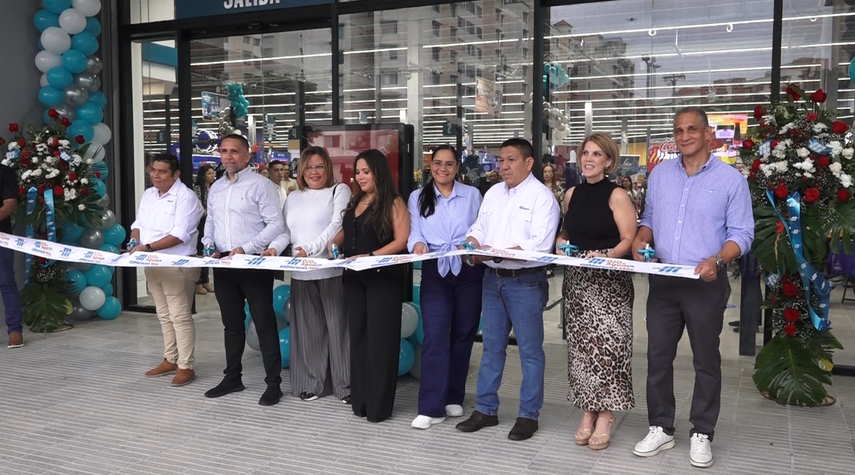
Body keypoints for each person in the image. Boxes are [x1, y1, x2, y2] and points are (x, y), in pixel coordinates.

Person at [631, 107, 753, 468]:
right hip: (664, 281)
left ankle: (702, 431)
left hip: (706, 282)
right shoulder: (660, 175)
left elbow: (742, 234)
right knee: (658, 357)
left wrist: (718, 259)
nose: (684, 136)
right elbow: (649, 219)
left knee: (705, 360)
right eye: (679, 130)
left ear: (708, 134)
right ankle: (661, 427)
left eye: (692, 130)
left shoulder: (731, 180)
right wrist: (641, 239)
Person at [456, 138, 560, 441]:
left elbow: (538, 246)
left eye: (511, 160)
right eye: (501, 160)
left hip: (525, 282)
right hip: (492, 279)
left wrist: (490, 253)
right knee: (491, 347)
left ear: (529, 163)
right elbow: (479, 228)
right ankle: (486, 409)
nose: (503, 166)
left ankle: (528, 415)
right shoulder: (493, 194)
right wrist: (471, 244)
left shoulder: (543, 198)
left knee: (530, 351)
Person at [554, 133, 638, 450]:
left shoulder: (617, 195)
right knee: (582, 351)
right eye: (585, 153)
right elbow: (567, 230)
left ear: (609, 161)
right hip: (578, 280)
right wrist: (561, 242)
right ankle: (588, 410)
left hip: (609, 281)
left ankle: (605, 414)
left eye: (597, 154)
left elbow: (628, 238)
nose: (589, 159)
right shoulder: (571, 194)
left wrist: (606, 257)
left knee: (610, 349)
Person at [262, 147, 352, 403]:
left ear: (328, 168)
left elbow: (337, 225)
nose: (314, 172)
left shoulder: (339, 190)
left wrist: (311, 249)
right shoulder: (293, 198)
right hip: (301, 274)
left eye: (319, 166)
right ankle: (313, 383)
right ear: (301, 170)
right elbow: (285, 232)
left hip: (331, 271)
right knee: (309, 331)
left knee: (339, 329)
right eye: (309, 167)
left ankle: (345, 385)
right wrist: (274, 248)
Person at [202, 134, 286, 406]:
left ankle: (273, 384)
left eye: (235, 151)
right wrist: (208, 243)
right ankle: (232, 377)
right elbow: (211, 220)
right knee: (232, 325)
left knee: (264, 324)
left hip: (252, 264)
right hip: (224, 264)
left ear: (248, 156)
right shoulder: (216, 187)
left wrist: (247, 248)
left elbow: (276, 224)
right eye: (224, 151)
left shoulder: (261, 186)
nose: (228, 156)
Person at [328, 149, 410, 423]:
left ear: (379, 172)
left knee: (380, 342)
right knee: (359, 338)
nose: (361, 177)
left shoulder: (394, 202)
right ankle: (360, 401)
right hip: (354, 278)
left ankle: (378, 407)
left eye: (366, 172)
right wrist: (334, 244)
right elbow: (348, 230)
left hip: (383, 279)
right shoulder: (356, 200)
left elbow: (401, 241)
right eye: (358, 172)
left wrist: (371, 256)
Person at [407, 145, 483, 430]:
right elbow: (415, 232)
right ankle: (430, 406)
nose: (443, 169)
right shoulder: (418, 197)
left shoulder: (472, 195)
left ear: (457, 167)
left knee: (463, 334)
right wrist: (417, 245)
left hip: (468, 269)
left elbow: (481, 227)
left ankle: (454, 395)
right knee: (435, 334)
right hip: (435, 270)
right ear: (431, 166)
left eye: (449, 164)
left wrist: (473, 244)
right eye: (437, 163)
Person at [129, 154, 204, 386]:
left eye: (162, 171)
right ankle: (170, 358)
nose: (155, 175)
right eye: (153, 170)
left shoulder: (186, 197)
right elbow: (138, 224)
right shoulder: (149, 194)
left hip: (176, 265)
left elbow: (180, 234)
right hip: (152, 264)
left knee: (180, 317)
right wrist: (135, 240)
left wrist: (148, 247)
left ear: (176, 174)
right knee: (163, 315)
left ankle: (186, 365)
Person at [0, 164, 22, 349]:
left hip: (2, 237)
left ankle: (15, 331)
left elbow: (10, 203)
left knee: (6, 281)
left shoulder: (5, 172)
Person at [193, 164, 216, 295]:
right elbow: (197, 207)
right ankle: (198, 282)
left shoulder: (215, 188)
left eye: (213, 174)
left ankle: (205, 279)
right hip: (202, 222)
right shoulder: (198, 189)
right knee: (200, 250)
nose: (212, 176)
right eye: (209, 174)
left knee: (208, 250)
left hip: (212, 223)